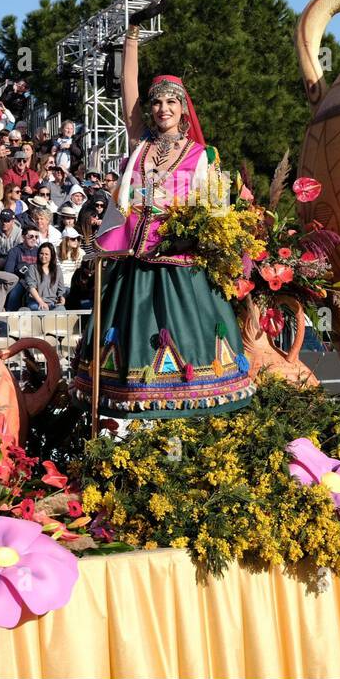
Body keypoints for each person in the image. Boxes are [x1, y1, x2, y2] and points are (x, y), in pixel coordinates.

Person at [70, 26, 254, 417]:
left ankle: (185, 423)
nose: (163, 109)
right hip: (132, 267)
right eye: (157, 103)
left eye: (172, 102)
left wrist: (197, 235)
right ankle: (129, 425)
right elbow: (128, 89)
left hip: (180, 269)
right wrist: (131, 42)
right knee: (127, 355)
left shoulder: (200, 156)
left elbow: (212, 213)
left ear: (183, 109)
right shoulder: (140, 145)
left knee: (185, 348)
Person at [20, 241, 66, 312]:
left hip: (52, 302)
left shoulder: (57, 269)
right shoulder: (32, 268)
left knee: (62, 310)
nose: (43, 256)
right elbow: (31, 287)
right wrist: (41, 302)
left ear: (51, 256)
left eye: (46, 254)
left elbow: (61, 289)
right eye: (41, 253)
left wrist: (61, 297)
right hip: (36, 302)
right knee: (42, 310)